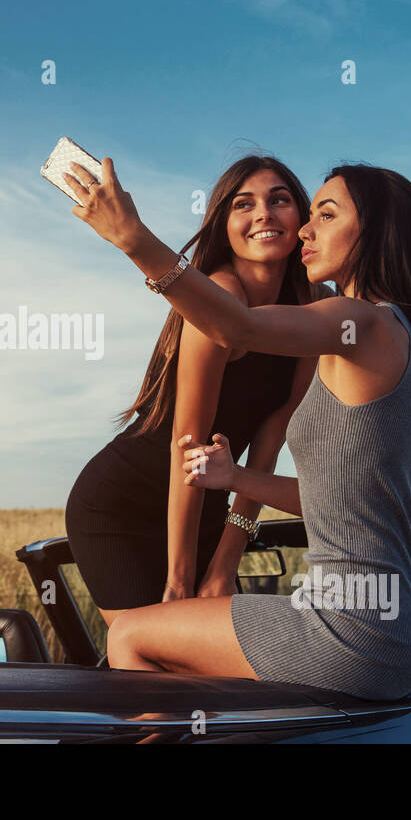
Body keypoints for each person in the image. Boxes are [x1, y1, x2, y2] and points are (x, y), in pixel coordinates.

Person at [61, 157, 411, 700]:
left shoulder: (362, 323)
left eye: (325, 215)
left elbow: (238, 326)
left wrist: (134, 240)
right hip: (405, 638)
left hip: (349, 631)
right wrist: (236, 478)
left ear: (375, 231)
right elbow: (333, 499)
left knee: (133, 635)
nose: (304, 227)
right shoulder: (400, 335)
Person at [65, 155, 330, 628]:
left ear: (301, 220)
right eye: (243, 205)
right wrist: (179, 579)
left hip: (208, 500)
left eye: (280, 200)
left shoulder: (311, 306)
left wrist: (227, 563)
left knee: (210, 670)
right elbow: (186, 443)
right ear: (224, 227)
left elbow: (269, 441)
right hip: (121, 504)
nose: (264, 214)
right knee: (155, 660)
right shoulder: (219, 296)